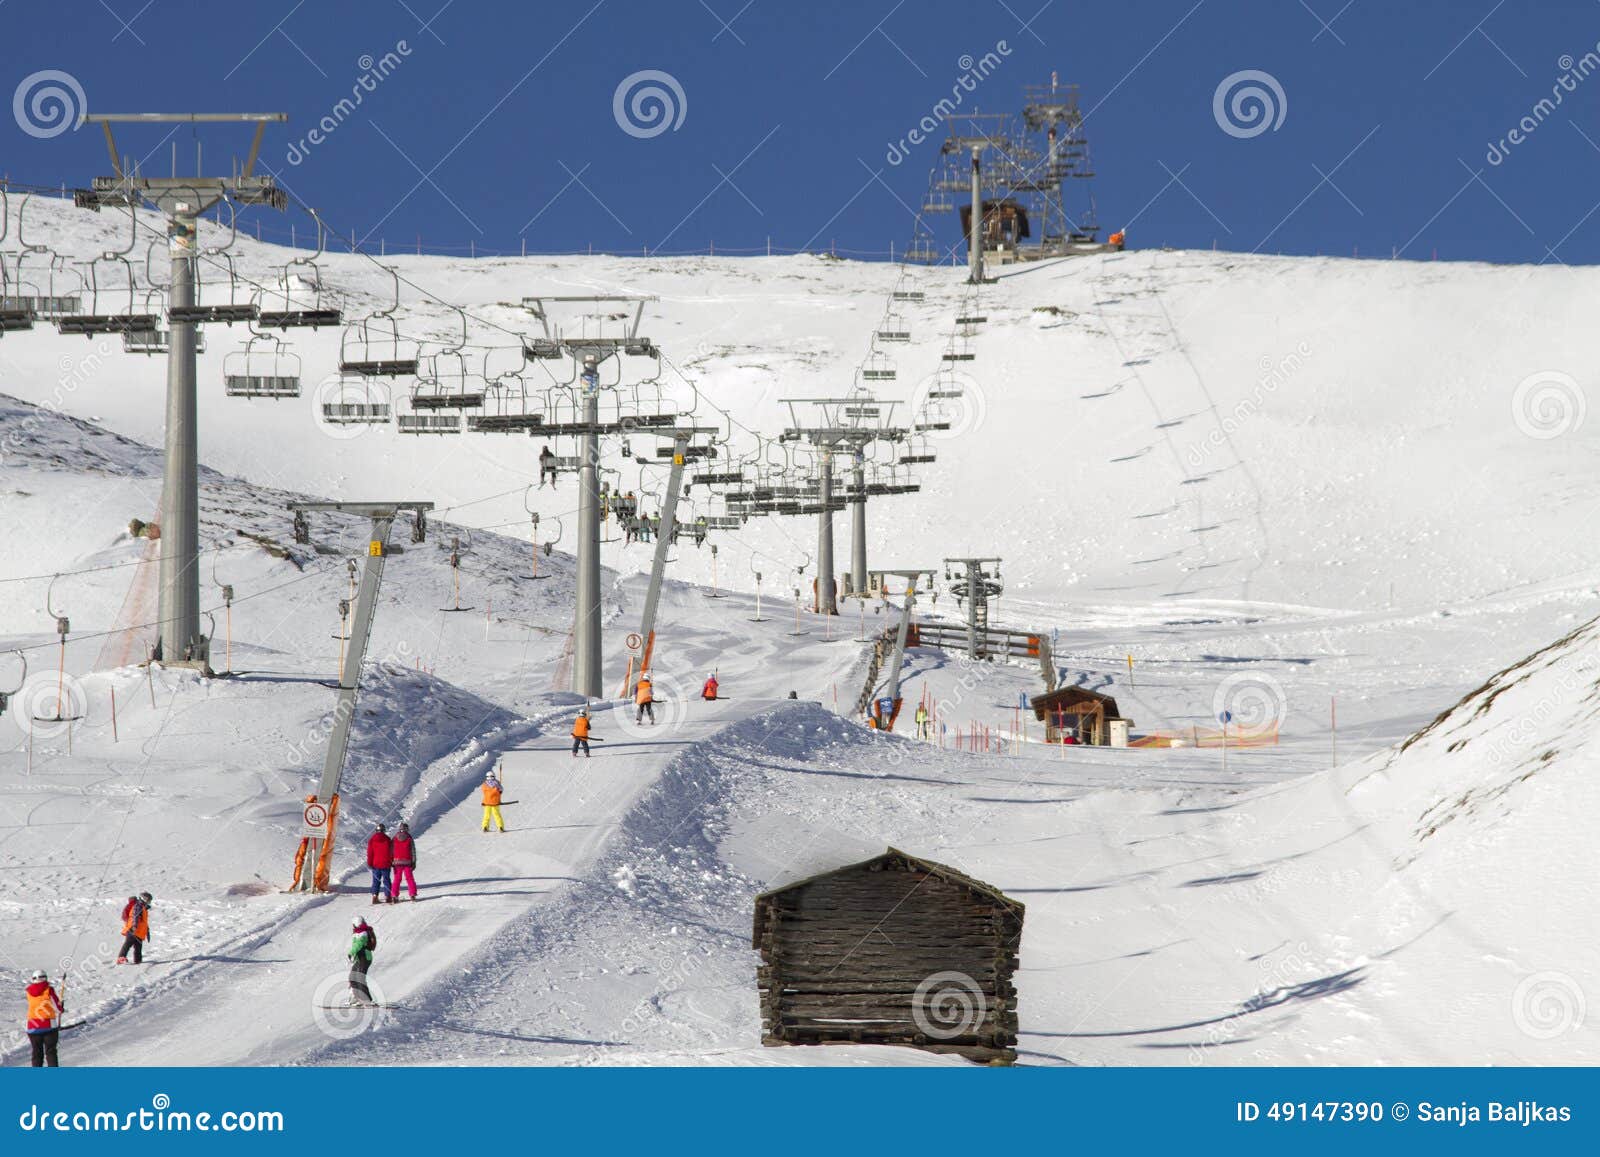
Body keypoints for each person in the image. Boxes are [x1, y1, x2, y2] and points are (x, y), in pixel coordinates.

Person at [25, 969, 63, 1067]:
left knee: (37, 1053)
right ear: (45, 977)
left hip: (32, 1025)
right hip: (48, 1024)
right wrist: (61, 1008)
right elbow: (57, 1007)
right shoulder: (48, 990)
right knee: (50, 1052)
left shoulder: (28, 991)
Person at [348, 917, 377, 1006]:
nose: (353, 926)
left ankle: (367, 1000)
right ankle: (359, 998)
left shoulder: (363, 933)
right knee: (352, 977)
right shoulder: (358, 933)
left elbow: (359, 944)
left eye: (353, 924)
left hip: (364, 957)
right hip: (359, 958)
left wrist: (351, 952)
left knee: (360, 978)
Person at [117, 892, 151, 964]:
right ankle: (121, 958)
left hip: (139, 932)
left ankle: (138, 960)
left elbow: (144, 922)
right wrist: (134, 926)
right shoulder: (138, 906)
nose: (149, 902)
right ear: (143, 899)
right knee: (128, 944)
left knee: (138, 947)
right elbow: (135, 916)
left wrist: (147, 931)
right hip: (133, 930)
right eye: (148, 900)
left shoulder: (144, 908)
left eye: (149, 901)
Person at [389, 821, 417, 902]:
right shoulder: (409, 838)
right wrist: (414, 862)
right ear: (407, 829)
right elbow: (413, 851)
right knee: (409, 878)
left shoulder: (394, 838)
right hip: (407, 862)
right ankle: (412, 894)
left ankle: (394, 895)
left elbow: (391, 850)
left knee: (397, 879)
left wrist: (391, 860)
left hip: (397, 862)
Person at [366, 823, 393, 905]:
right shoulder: (388, 839)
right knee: (386, 880)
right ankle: (388, 896)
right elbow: (391, 852)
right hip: (386, 863)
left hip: (375, 864)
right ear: (384, 830)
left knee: (376, 881)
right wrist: (391, 861)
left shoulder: (372, 840)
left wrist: (370, 863)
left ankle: (375, 896)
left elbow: (370, 853)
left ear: (376, 831)